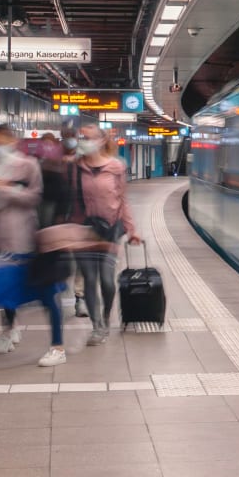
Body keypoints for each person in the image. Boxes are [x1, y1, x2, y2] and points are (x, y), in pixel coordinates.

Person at [0, 125, 66, 366]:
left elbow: (33, 197)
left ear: (12, 141)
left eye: (0, 141)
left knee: (46, 293)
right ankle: (9, 329)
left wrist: (5, 188)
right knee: (4, 290)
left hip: (25, 238)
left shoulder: (28, 165)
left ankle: (57, 346)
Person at [67, 124, 141, 344]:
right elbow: (68, 200)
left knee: (107, 280)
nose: (83, 141)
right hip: (83, 229)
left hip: (110, 228)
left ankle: (106, 318)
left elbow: (123, 200)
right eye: (82, 137)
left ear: (100, 141)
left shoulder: (116, 167)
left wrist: (131, 229)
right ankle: (97, 326)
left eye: (88, 138)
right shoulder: (74, 168)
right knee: (89, 278)